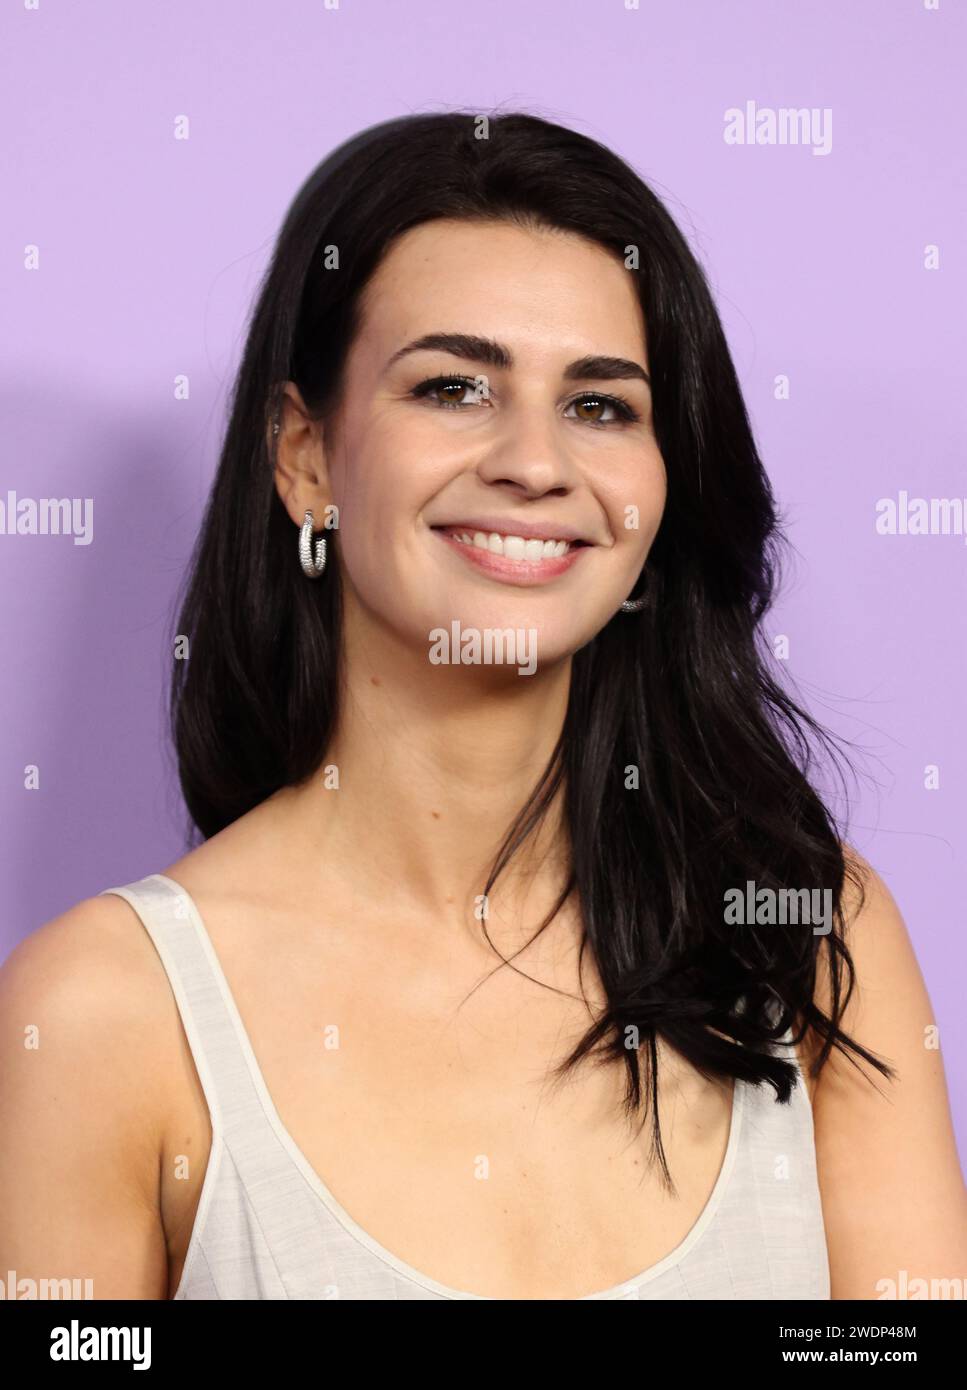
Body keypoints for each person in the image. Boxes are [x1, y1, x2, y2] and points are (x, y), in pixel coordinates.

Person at [1, 111, 964, 1302]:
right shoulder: (100, 1008)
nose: (534, 461)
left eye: (601, 404)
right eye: (454, 386)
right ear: (305, 456)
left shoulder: (810, 934)